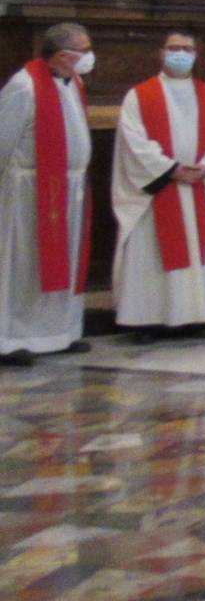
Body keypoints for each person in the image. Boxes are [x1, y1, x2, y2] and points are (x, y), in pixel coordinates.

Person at [114, 29, 205, 333]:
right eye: (173, 48)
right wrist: (169, 169)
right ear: (161, 53)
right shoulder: (140, 95)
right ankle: (149, 321)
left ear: (195, 55)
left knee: (201, 252)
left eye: (187, 49)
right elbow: (133, 141)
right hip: (161, 190)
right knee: (153, 254)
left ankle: (200, 316)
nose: (180, 54)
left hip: (200, 187)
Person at [0, 23, 95, 360]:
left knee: (65, 260)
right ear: (61, 55)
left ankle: (59, 333)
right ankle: (12, 339)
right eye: (83, 50)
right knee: (26, 264)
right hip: (30, 191)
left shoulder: (74, 82)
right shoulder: (25, 85)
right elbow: (5, 140)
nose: (89, 56)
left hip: (70, 188)